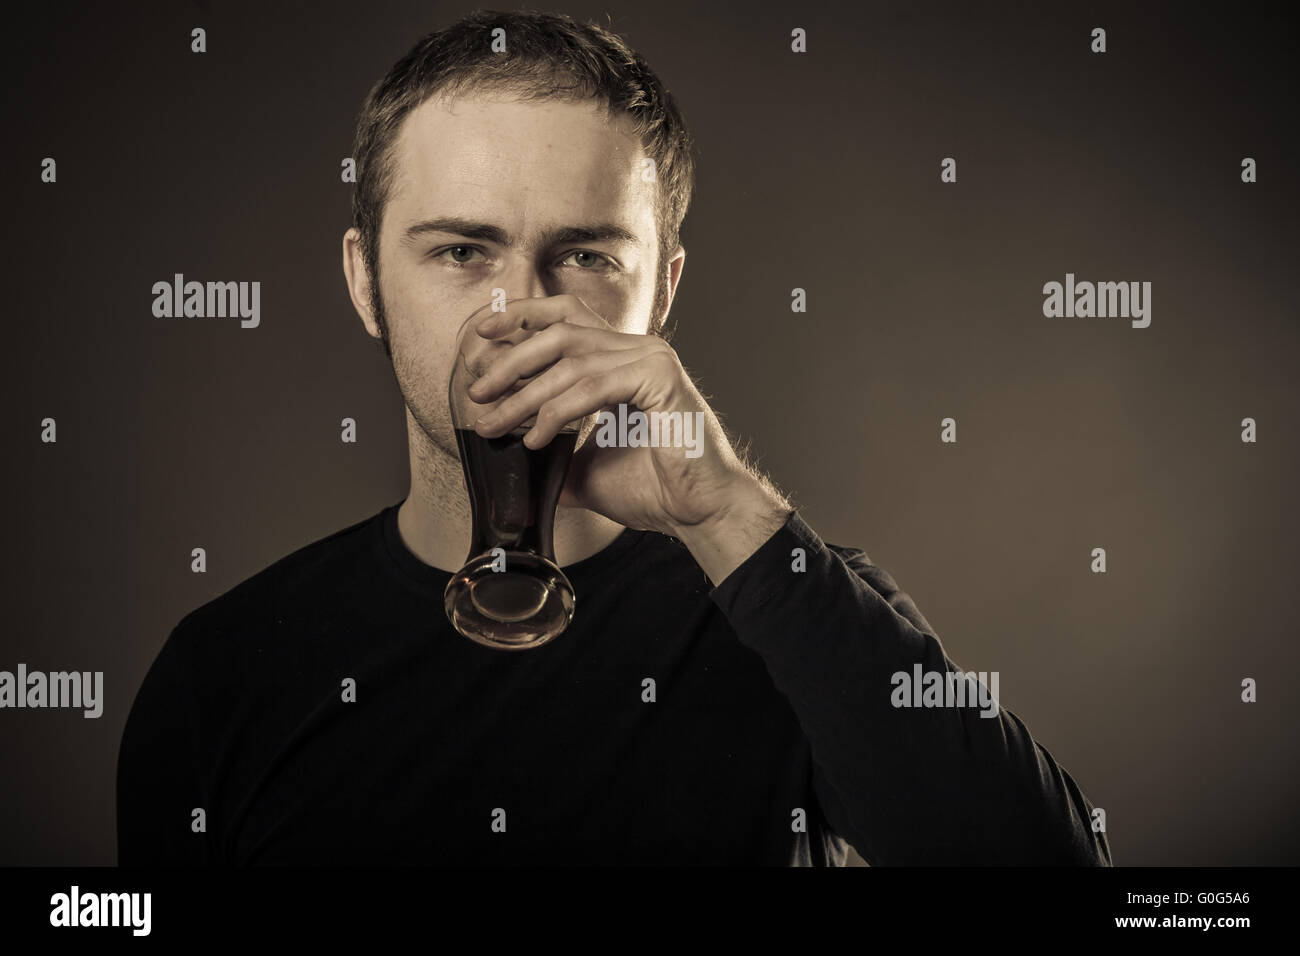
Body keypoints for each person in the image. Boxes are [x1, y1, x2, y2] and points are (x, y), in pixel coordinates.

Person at [117, 9, 1111, 866]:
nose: (517, 314)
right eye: (460, 251)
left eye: (586, 256)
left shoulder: (795, 610)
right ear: (365, 281)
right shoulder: (223, 674)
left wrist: (727, 514)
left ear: (661, 293)